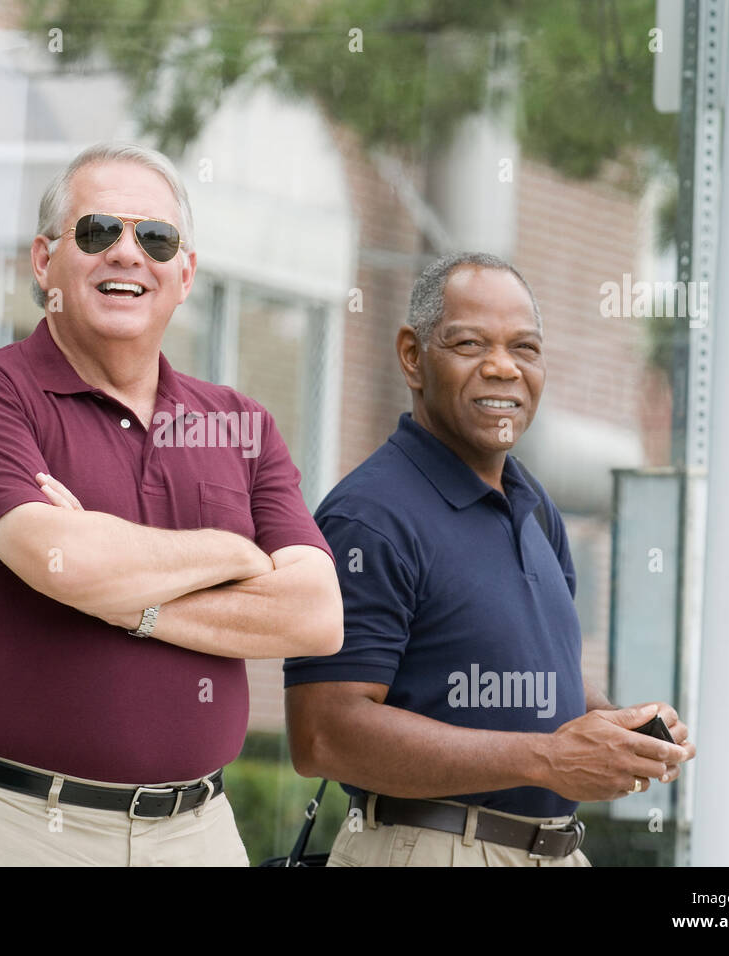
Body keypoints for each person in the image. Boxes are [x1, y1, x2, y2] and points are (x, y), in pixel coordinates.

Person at [0, 142, 341, 866]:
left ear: (186, 273)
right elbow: (64, 559)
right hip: (17, 827)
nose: (127, 254)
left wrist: (114, 591)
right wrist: (233, 555)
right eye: (99, 231)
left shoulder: (240, 423)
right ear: (45, 261)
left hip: (199, 831)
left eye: (156, 238)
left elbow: (315, 615)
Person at [283, 252, 696, 867]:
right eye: (470, 343)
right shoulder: (368, 518)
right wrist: (547, 758)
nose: (503, 367)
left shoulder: (534, 507)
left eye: (524, 348)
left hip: (555, 851)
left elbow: (538, 673)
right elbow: (323, 735)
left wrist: (612, 726)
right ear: (412, 357)